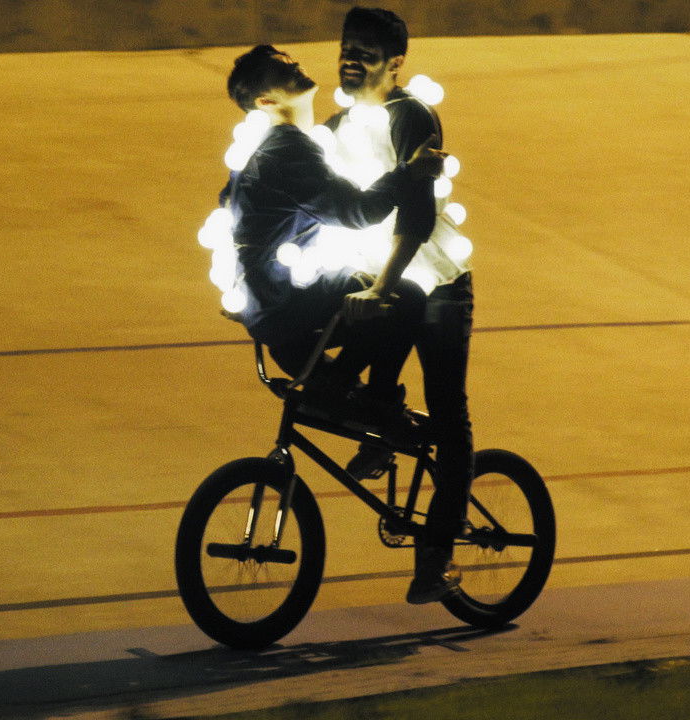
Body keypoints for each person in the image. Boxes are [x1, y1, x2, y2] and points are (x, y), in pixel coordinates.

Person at [324, 6, 476, 605]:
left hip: (435, 284)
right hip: (385, 283)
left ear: (395, 63)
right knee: (347, 378)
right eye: (345, 46)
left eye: (365, 50)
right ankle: (384, 428)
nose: (350, 58)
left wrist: (381, 288)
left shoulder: (410, 117)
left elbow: (413, 220)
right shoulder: (336, 126)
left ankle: (437, 555)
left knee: (447, 413)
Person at [220, 45, 445, 431]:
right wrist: (410, 172)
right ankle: (367, 401)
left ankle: (360, 404)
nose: (295, 65)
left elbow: (228, 208)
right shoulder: (289, 149)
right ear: (265, 100)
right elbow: (358, 212)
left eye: (292, 60)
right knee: (404, 297)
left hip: (266, 307)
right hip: (286, 305)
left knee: (368, 289)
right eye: (281, 69)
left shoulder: (263, 150)